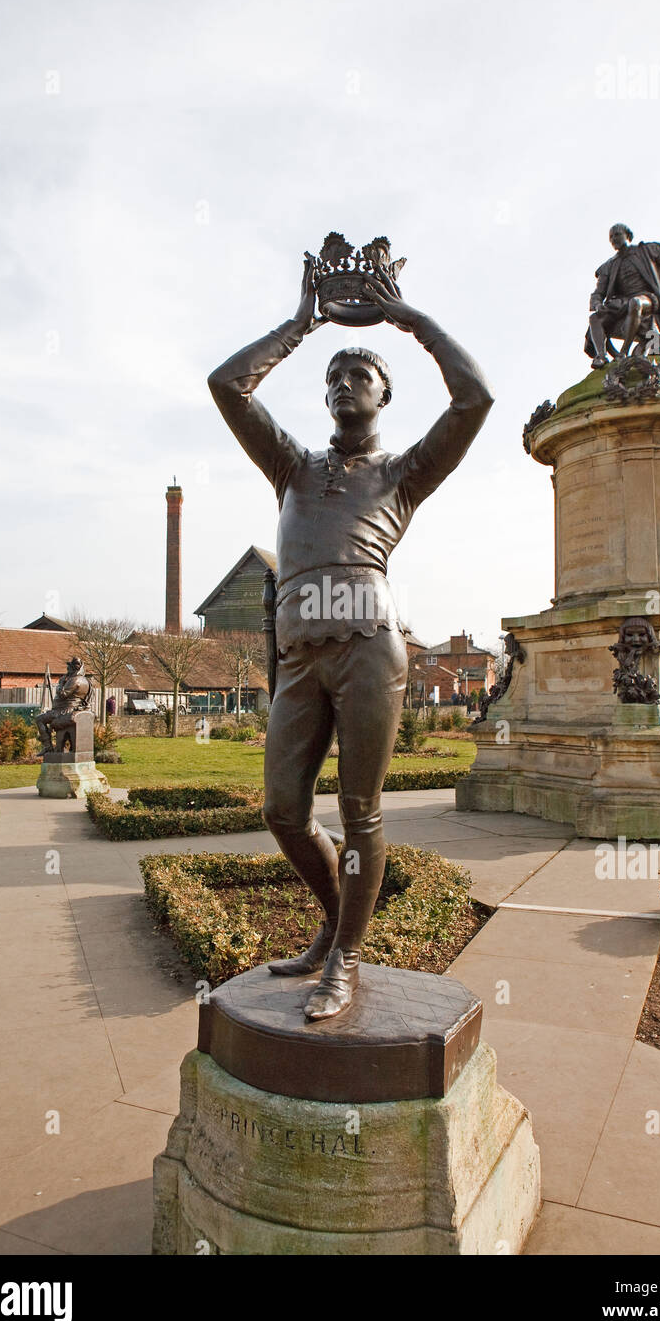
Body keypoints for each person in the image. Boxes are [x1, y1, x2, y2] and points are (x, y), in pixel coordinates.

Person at [208, 255, 493, 1018]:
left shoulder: (402, 473)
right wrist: (301, 325)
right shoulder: (293, 467)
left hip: (370, 646)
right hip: (299, 653)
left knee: (360, 811)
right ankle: (334, 927)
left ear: (384, 393)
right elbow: (226, 386)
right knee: (281, 810)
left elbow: (476, 397)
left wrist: (408, 321)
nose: (341, 386)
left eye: (358, 375)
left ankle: (347, 958)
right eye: (332, 377)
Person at [585, 223, 660, 368]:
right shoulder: (608, 266)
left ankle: (623, 352)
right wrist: (597, 304)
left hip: (649, 298)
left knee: (636, 303)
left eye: (617, 234)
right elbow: (598, 293)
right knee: (595, 318)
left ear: (628, 236)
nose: (613, 239)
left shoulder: (647, 250)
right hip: (622, 301)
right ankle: (601, 357)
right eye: (611, 237)